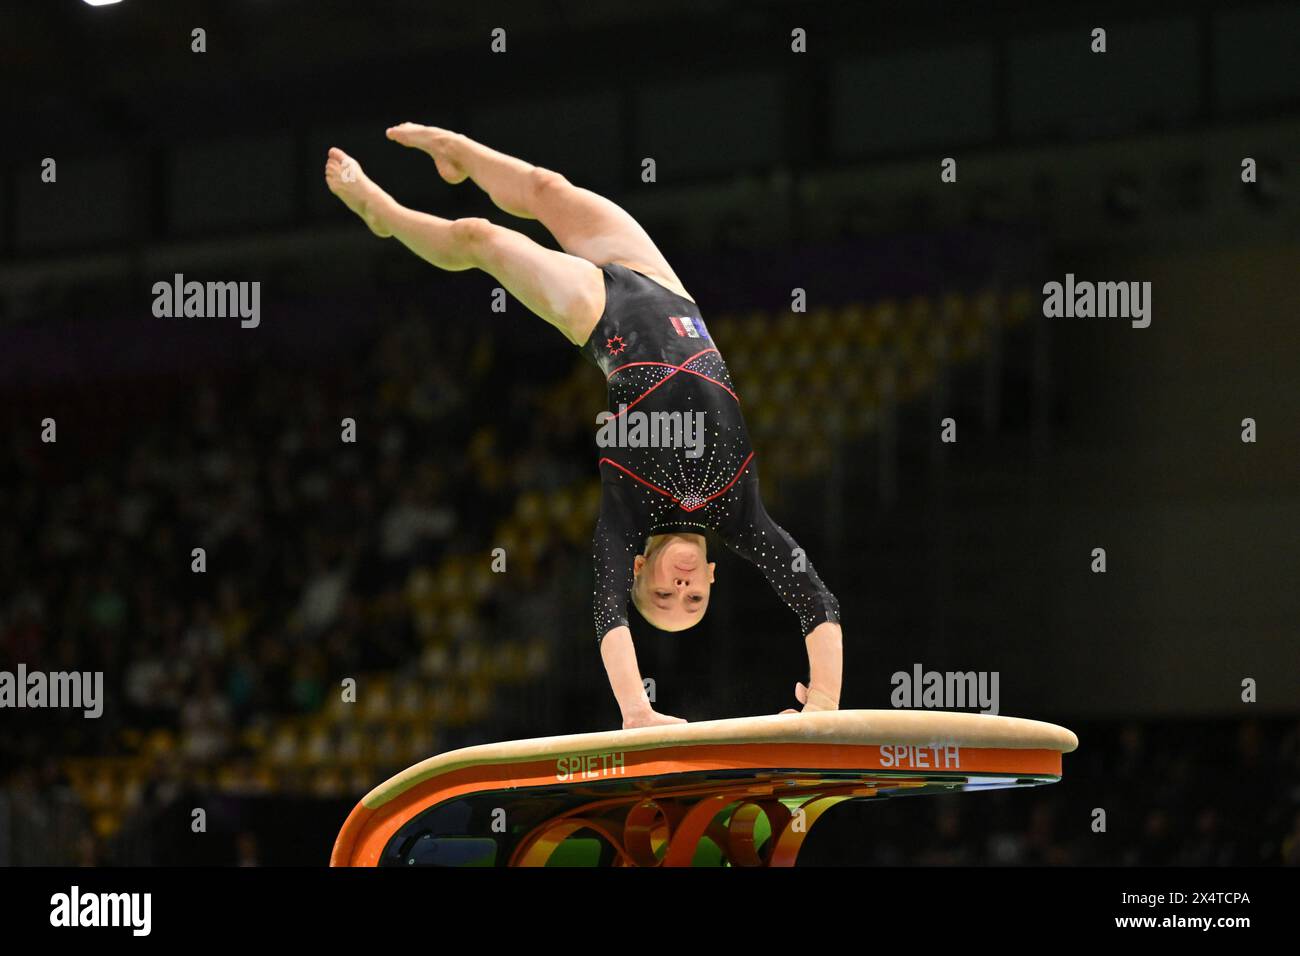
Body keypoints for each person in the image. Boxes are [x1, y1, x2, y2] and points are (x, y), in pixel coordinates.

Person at [325, 125, 842, 729]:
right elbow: (817, 602)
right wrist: (826, 704)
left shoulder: (628, 515)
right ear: (710, 575)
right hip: (671, 296)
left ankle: (384, 215)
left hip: (604, 320)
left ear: (639, 574)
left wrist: (636, 711)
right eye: (694, 597)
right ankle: (460, 158)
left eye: (662, 596)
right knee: (547, 187)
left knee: (481, 238)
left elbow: (606, 615)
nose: (680, 589)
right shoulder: (741, 516)